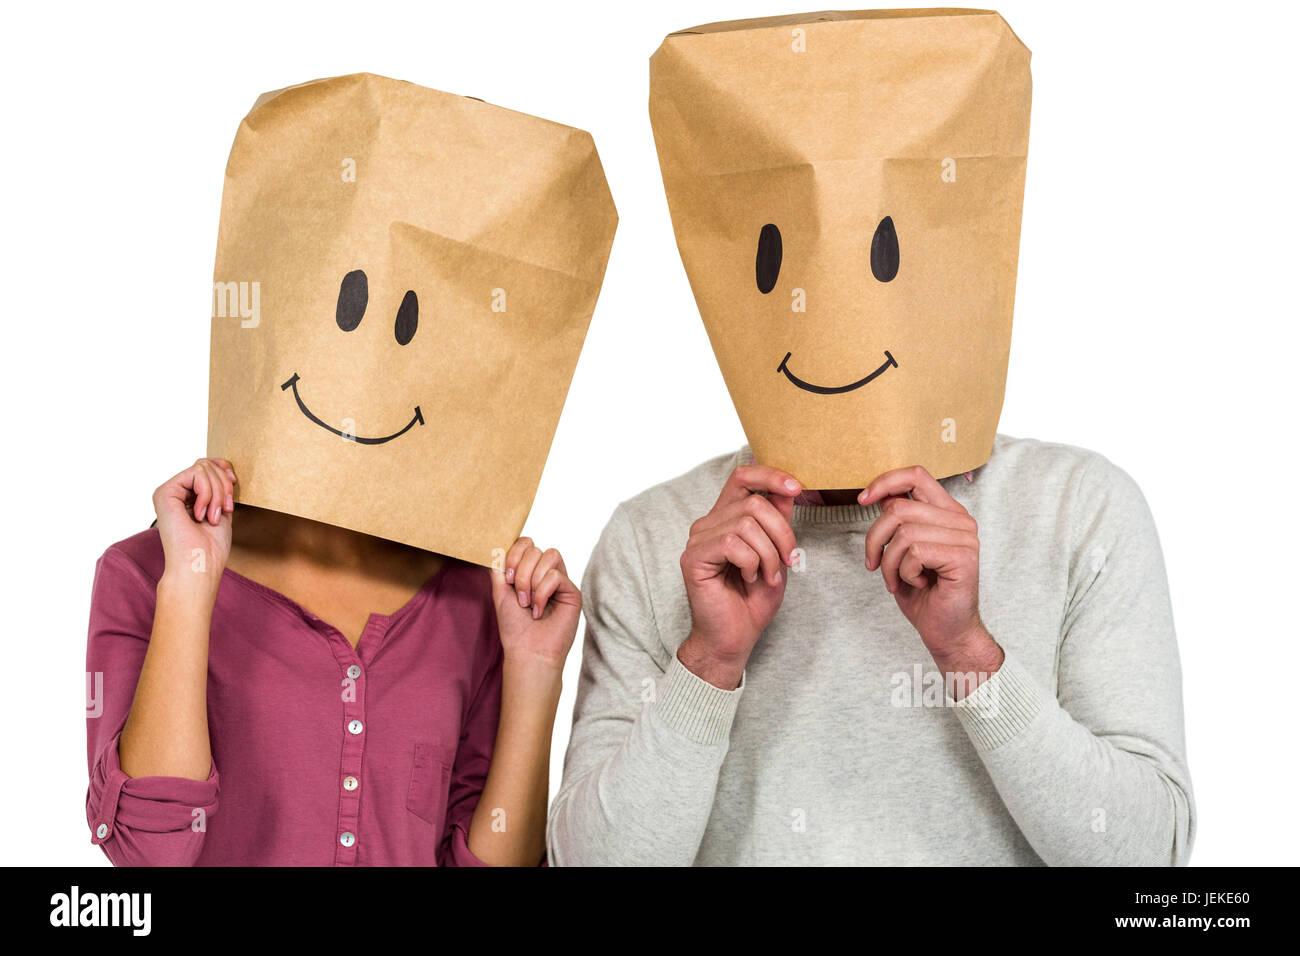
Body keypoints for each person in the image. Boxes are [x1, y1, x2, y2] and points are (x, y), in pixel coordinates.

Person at [546, 11, 1195, 866]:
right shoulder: (656, 539)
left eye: (886, 251)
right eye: (777, 257)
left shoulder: (1080, 512)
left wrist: (969, 653)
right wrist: (707, 662)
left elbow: (1151, 862)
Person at [86, 457, 577, 865]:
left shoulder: (478, 600)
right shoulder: (147, 571)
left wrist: (536, 666)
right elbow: (148, 851)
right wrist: (191, 581)